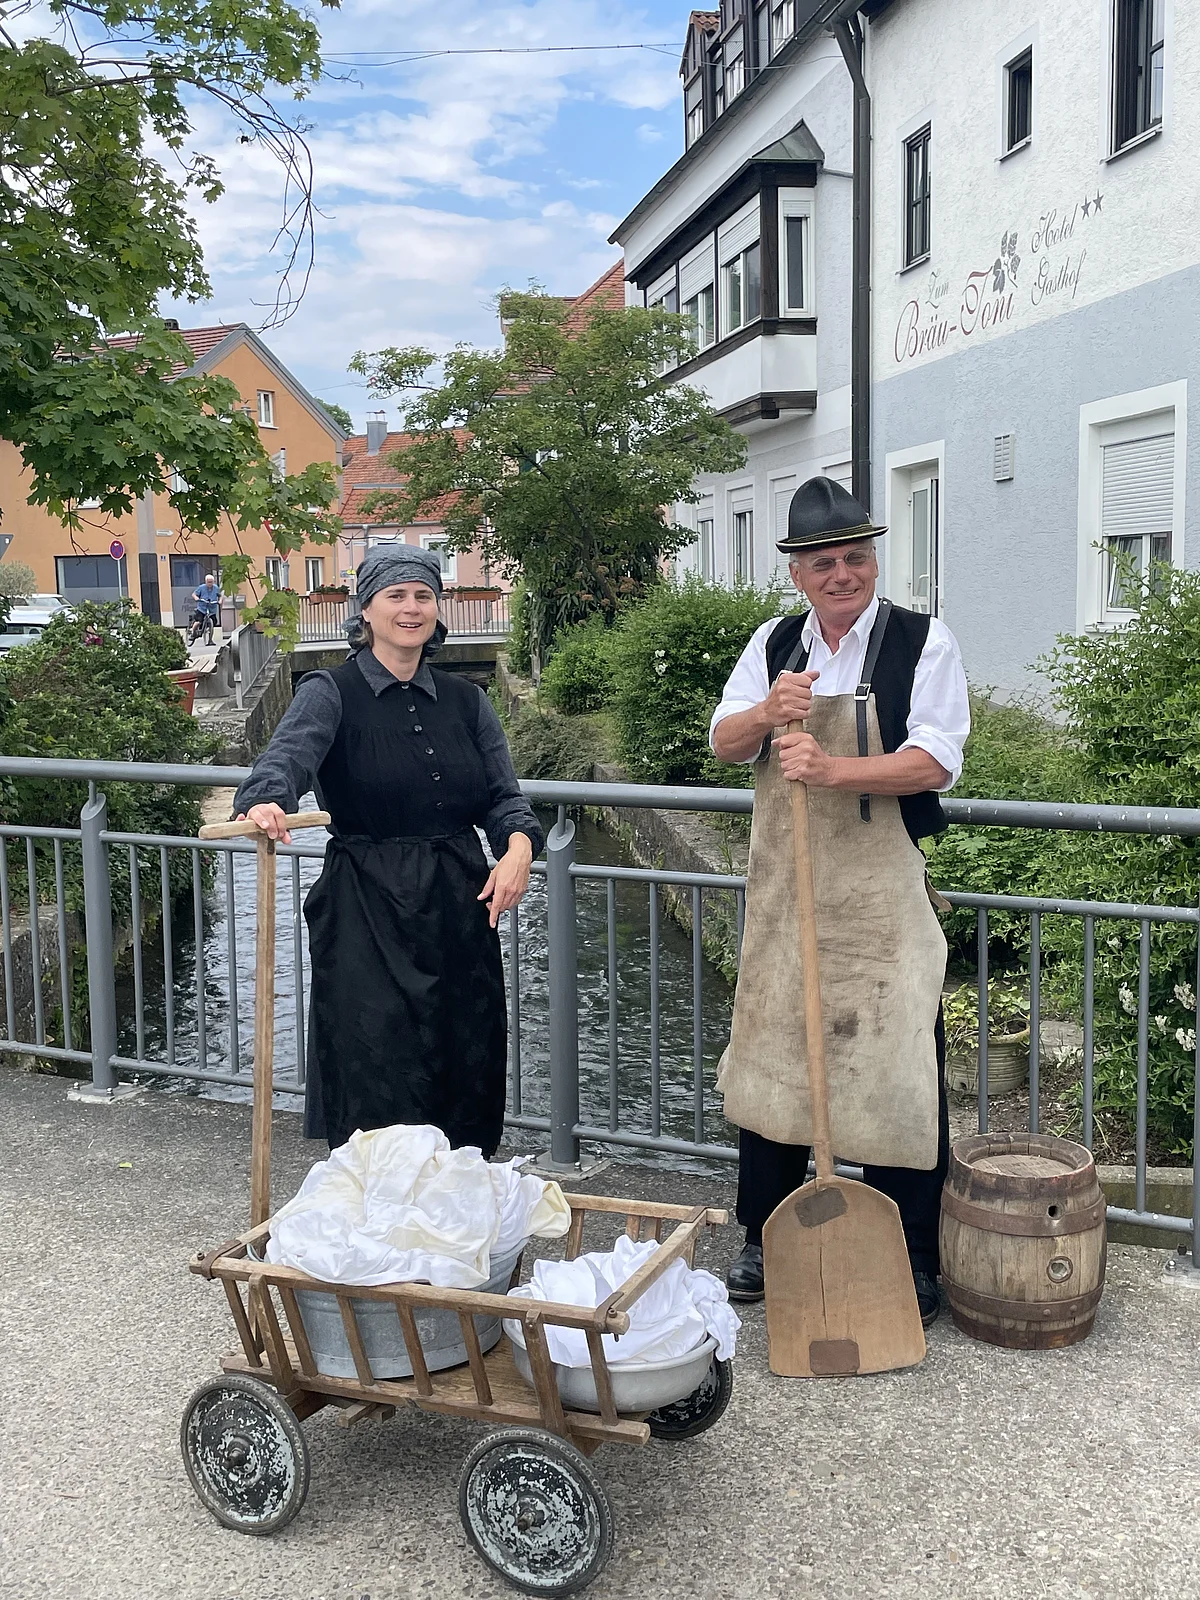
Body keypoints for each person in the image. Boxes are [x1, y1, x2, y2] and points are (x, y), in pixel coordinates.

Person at [709, 477, 970, 1325]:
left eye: (856, 558)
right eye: (824, 562)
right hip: (791, 896)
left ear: (873, 561)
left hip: (881, 897)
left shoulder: (924, 644)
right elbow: (722, 742)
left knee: (896, 1065)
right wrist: (764, 713)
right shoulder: (774, 642)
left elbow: (933, 760)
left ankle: (911, 1250)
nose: (842, 575)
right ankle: (764, 1236)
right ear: (797, 573)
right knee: (775, 1056)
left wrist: (836, 770)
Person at [232, 545, 543, 1156]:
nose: (411, 608)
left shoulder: (467, 701)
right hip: (365, 910)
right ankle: (378, 1223)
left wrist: (518, 848)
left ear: (437, 608)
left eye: (422, 595)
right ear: (366, 611)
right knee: (375, 1061)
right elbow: (280, 765)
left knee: (465, 1059)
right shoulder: (331, 691)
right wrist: (266, 800)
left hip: (459, 905)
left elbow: (505, 800)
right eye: (395, 596)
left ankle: (453, 1217)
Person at [190, 573, 222, 644]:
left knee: (213, 623)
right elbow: (194, 594)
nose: (210, 583)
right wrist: (196, 598)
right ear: (206, 582)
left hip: (212, 608)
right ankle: (193, 633)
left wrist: (220, 601)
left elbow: (220, 596)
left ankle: (210, 640)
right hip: (202, 607)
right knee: (199, 621)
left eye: (211, 582)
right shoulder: (201, 587)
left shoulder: (216, 588)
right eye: (208, 582)